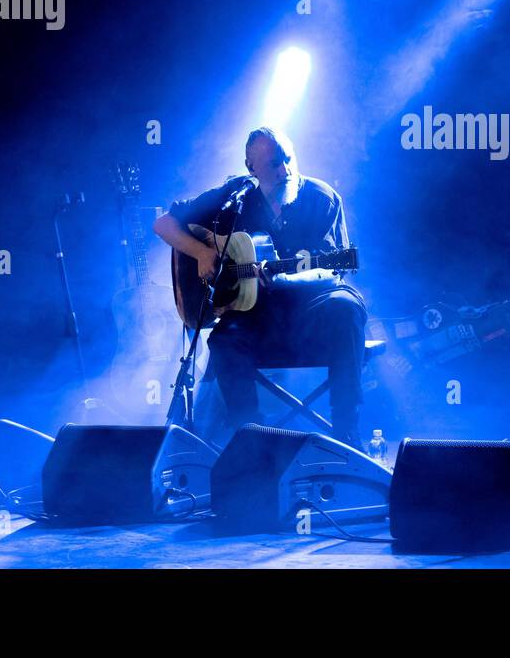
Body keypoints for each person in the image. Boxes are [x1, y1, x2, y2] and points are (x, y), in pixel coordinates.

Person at [152, 126, 367, 449]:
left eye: (287, 160)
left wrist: (284, 278)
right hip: (256, 313)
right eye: (273, 165)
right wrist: (202, 252)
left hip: (311, 310)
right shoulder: (235, 197)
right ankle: (250, 441)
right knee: (224, 340)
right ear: (251, 168)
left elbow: (332, 271)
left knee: (346, 307)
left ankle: (347, 434)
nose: (285, 172)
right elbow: (164, 223)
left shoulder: (320, 199)